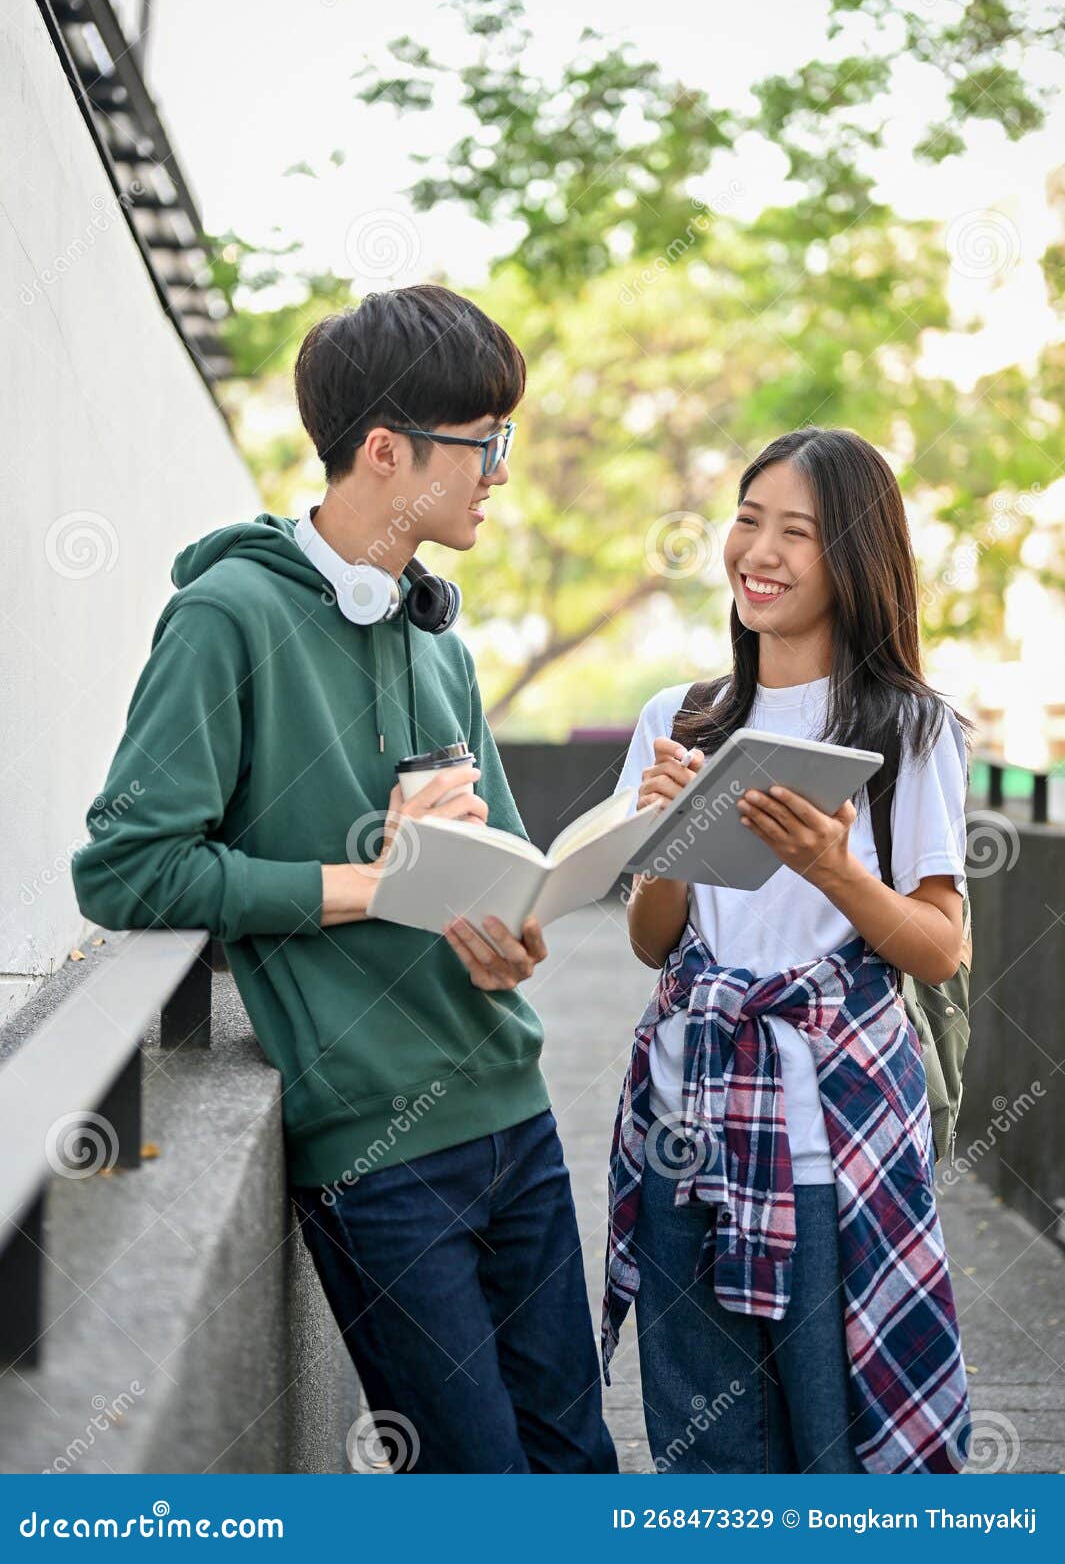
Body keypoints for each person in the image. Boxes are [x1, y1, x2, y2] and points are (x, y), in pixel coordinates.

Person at [72, 283, 616, 1475]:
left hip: (514, 1111)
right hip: (375, 1150)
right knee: (479, 1489)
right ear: (385, 449)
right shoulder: (226, 617)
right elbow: (128, 868)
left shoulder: (440, 637)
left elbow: (509, 871)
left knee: (579, 1468)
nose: (502, 475)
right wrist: (375, 881)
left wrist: (515, 932)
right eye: (486, 445)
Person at [603, 425, 972, 1475]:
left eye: (796, 532)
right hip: (689, 1132)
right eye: (748, 519)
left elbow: (938, 947)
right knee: (708, 1457)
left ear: (853, 558)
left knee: (841, 1450)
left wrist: (836, 871)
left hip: (833, 1150)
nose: (756, 551)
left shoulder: (909, 730)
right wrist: (666, 843)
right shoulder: (679, 718)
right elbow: (652, 940)